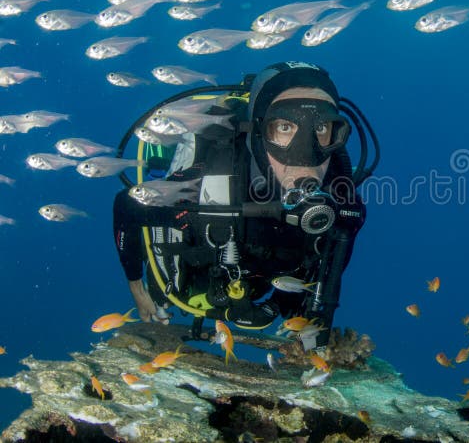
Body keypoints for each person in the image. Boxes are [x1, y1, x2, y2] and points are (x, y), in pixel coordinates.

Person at [112, 62, 377, 349]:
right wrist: (137, 289)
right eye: (285, 127)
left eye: (322, 127)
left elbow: (332, 260)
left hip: (271, 279)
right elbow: (127, 206)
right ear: (258, 131)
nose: (306, 154)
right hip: (200, 270)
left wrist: (284, 305)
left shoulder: (339, 196)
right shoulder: (205, 183)